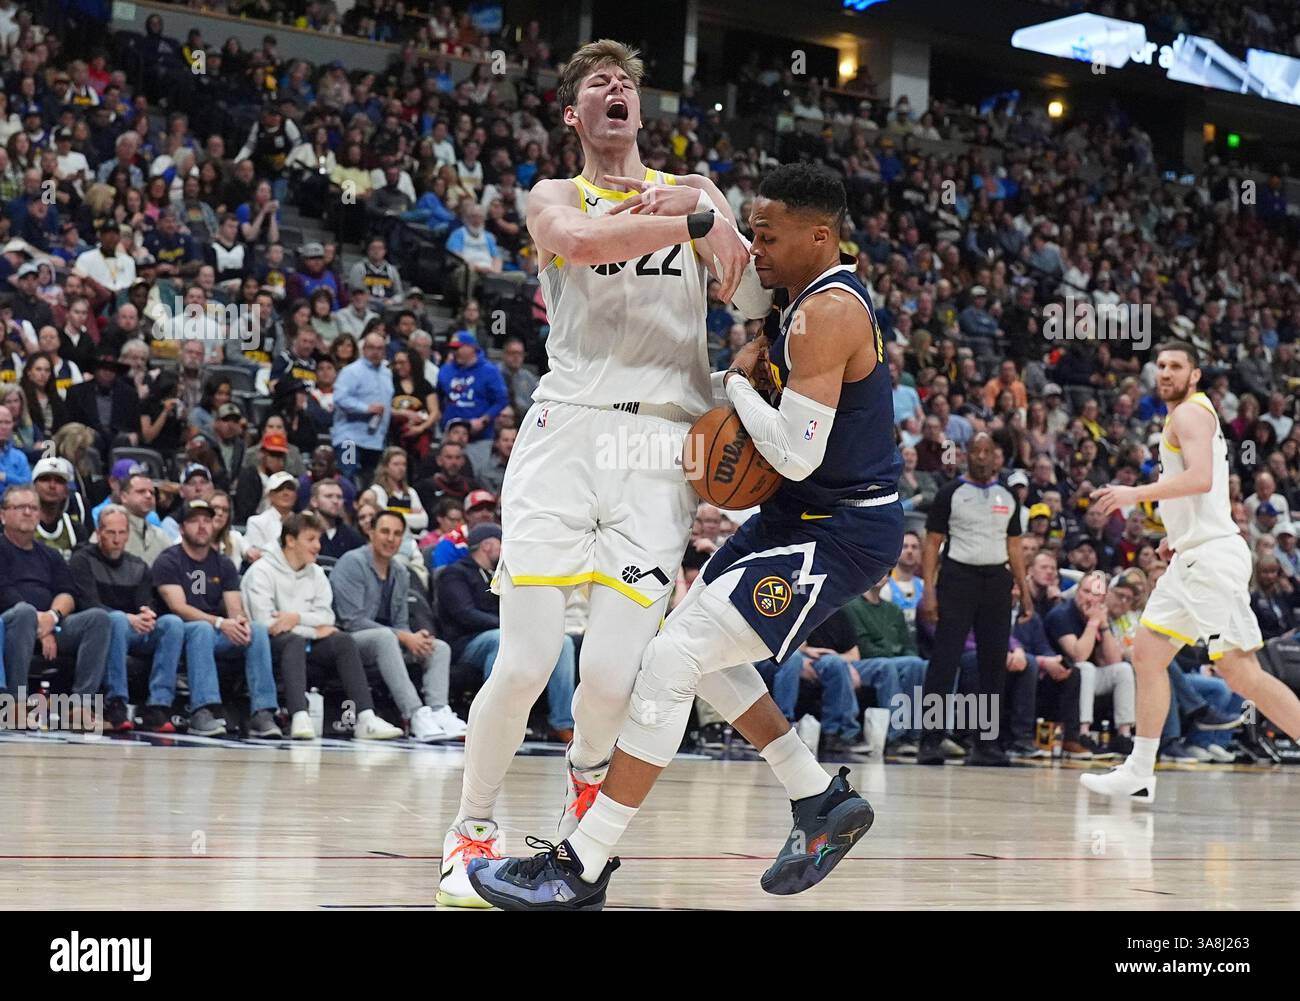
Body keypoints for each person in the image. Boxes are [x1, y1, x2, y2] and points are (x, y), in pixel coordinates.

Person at [467, 162, 899, 910]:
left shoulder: (829, 310)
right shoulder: (798, 291)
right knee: (687, 649)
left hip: (845, 527)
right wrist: (698, 199)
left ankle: (583, 860)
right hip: (796, 518)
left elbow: (796, 451)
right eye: (754, 232)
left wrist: (731, 385)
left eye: (769, 235)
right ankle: (816, 797)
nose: (755, 247)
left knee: (669, 659)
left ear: (820, 235)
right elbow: (728, 251)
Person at [438, 38, 772, 910]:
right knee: (522, 664)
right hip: (567, 434)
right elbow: (578, 242)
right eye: (598, 82)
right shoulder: (554, 194)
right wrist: (690, 220)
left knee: (615, 680)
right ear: (573, 113)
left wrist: (719, 221)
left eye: (627, 79)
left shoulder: (697, 193)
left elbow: (749, 293)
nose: (618, 87)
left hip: (661, 453)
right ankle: (471, 827)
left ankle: (582, 796)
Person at [1084, 341, 1300, 802]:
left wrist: (1131, 494)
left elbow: (1200, 477)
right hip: (1190, 556)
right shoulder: (1184, 416)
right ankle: (1140, 769)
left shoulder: (1190, 414)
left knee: (1240, 673)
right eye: (1160, 365)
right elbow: (1204, 491)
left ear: (1195, 374)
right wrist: (1176, 534)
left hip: (1211, 559)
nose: (1166, 373)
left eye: (1176, 366)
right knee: (1146, 652)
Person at [916, 432, 1032, 766]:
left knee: (993, 664)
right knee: (945, 661)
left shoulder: (1009, 495)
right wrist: (929, 590)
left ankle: (987, 744)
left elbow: (1014, 547)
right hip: (957, 577)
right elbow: (932, 542)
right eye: (976, 451)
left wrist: (1024, 593)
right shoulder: (950, 493)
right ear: (966, 455)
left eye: (988, 451)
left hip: (996, 580)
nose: (982, 457)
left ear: (997, 456)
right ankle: (930, 740)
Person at [241, 511, 402, 741]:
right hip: (268, 646)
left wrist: (296, 618)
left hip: (307, 642)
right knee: (293, 641)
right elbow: (267, 624)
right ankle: (299, 716)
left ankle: (366, 718)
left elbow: (327, 617)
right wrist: (312, 627)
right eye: (311, 539)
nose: (318, 546)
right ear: (290, 540)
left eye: (318, 539)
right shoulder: (261, 572)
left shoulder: (316, 572)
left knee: (343, 641)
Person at [331, 509, 466, 741]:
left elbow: (401, 622)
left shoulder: (401, 572)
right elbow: (351, 620)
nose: (390, 539)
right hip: (349, 642)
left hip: (389, 642)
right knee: (385, 637)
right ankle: (414, 714)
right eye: (384, 531)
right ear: (371, 532)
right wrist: (403, 637)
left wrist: (416, 638)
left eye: (396, 534)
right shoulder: (351, 563)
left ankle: (439, 711)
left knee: (438, 647)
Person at [152, 499, 282, 739]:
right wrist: (220, 623)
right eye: (194, 520)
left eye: (207, 520)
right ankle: (203, 709)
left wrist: (239, 622)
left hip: (215, 632)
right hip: (178, 635)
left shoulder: (222, 563)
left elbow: (234, 607)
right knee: (200, 628)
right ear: (181, 528)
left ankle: (262, 712)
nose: (202, 526)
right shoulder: (169, 560)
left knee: (257, 630)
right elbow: (179, 607)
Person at [437, 522, 576, 739]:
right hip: (467, 642)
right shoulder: (455, 573)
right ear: (487, 545)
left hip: (505, 633)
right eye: (501, 544)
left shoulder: (503, 575)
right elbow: (465, 614)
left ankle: (561, 722)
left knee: (563, 641)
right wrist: (510, 627)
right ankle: (492, 719)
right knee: (500, 639)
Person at [69, 503, 187, 733]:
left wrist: (147, 614)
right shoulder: (82, 559)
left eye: (122, 533)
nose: (116, 539)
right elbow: (88, 602)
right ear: (99, 532)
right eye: (111, 533)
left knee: (172, 624)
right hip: (100, 627)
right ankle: (117, 701)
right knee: (115, 621)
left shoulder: (138, 565)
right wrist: (127, 617)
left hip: (132, 628)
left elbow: (146, 602)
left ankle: (158, 704)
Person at [0, 485, 111, 724]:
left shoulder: (51, 555)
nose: (28, 513)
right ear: (2, 515)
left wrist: (52, 617)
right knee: (24, 612)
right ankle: (15, 702)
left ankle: (80, 706)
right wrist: (40, 625)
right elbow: (5, 593)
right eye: (20, 507)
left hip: (49, 625)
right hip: (11, 624)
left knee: (98, 619)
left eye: (33, 508)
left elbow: (68, 593)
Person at [331, 329, 391, 484]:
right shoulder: (351, 371)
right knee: (346, 477)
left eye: (379, 349)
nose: (375, 352)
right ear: (364, 349)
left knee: (370, 483)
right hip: (349, 440)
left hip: (375, 441)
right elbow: (339, 398)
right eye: (371, 347)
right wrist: (366, 408)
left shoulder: (387, 373)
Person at [31, 456, 89, 558]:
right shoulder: (20, 525)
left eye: (59, 481)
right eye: (45, 479)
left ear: (66, 491)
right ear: (33, 486)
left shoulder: (76, 530)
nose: (52, 485)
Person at [118, 471, 171, 564]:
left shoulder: (160, 536)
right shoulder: (109, 531)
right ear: (124, 497)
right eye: (141, 491)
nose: (148, 496)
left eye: (152, 493)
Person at [244, 469, 298, 560]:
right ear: (270, 495)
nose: (286, 493)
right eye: (279, 489)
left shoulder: (303, 521)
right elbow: (256, 556)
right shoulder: (256, 522)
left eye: (290, 488)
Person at [308, 478, 364, 559]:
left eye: (339, 497)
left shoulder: (353, 538)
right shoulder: (301, 533)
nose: (335, 501)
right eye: (329, 496)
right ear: (314, 502)